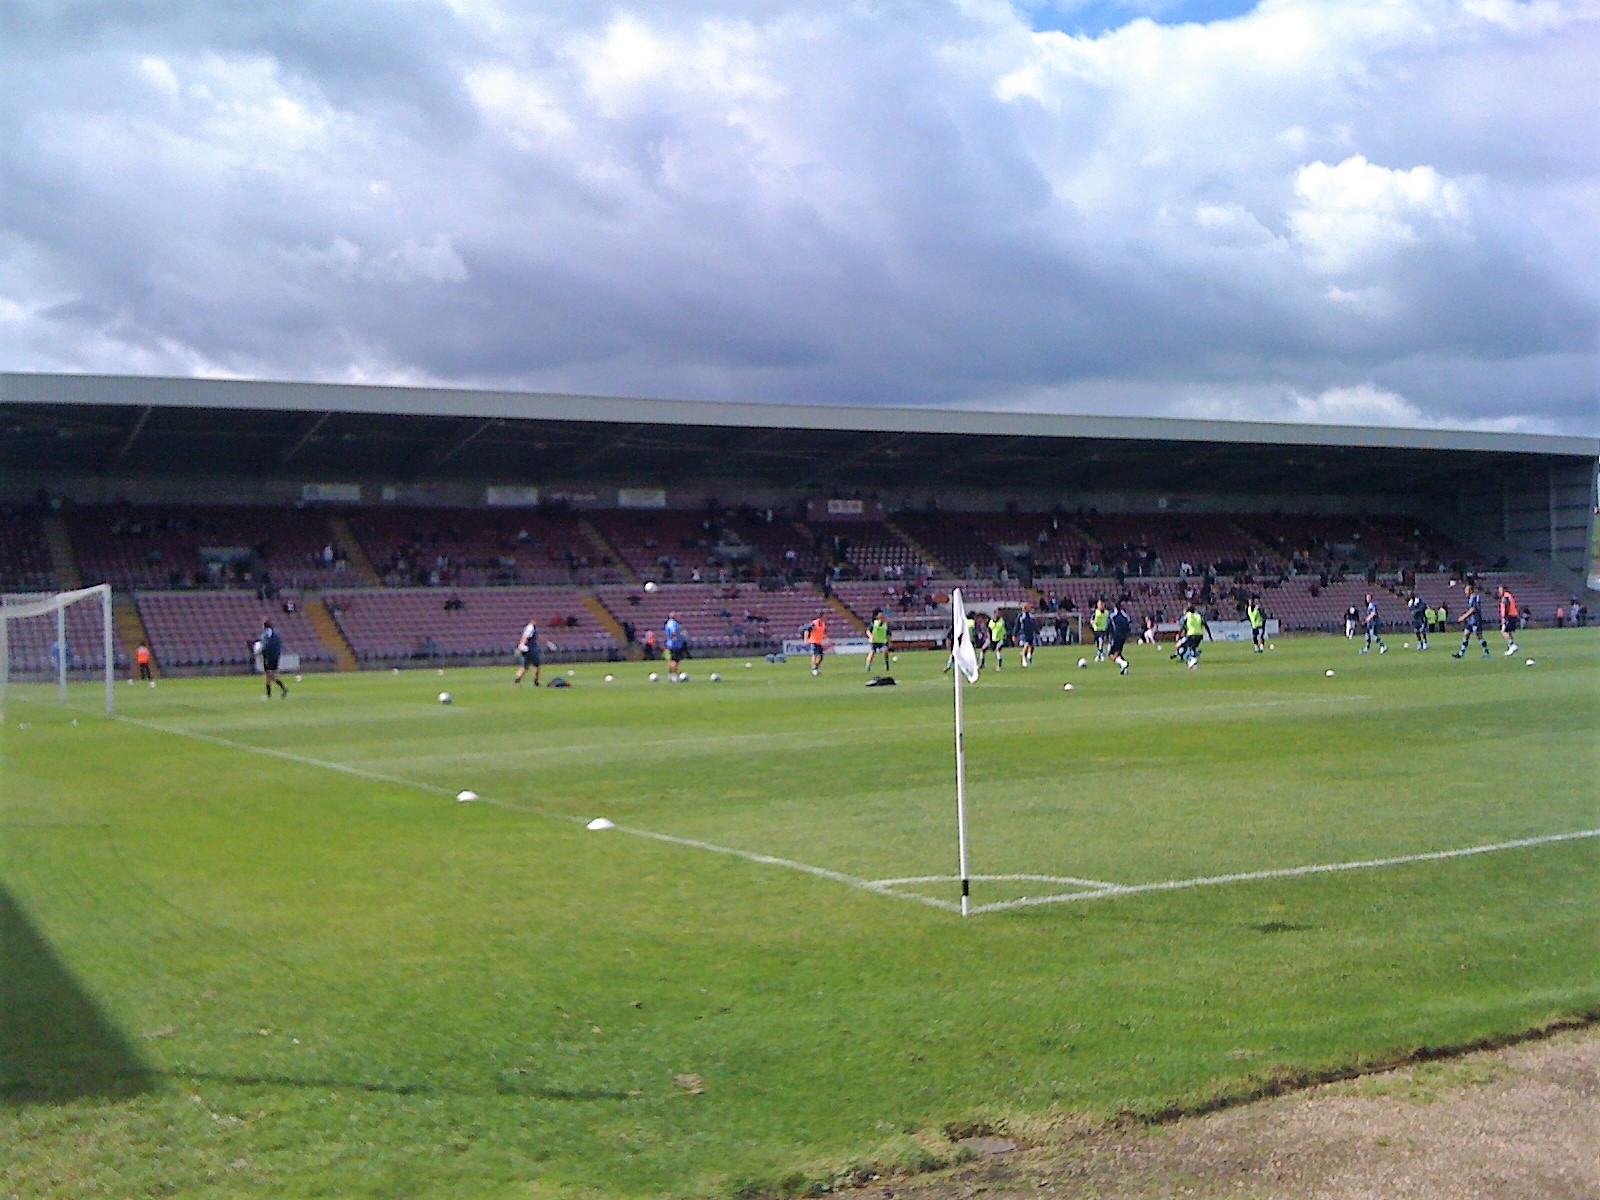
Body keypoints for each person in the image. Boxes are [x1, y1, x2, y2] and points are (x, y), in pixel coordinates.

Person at [1453, 583, 1493, 660]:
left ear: (1470, 590)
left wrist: (1463, 617)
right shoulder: (1472, 598)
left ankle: (1487, 653)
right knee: (1466, 634)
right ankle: (1461, 653)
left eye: (1466, 590)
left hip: (1476, 620)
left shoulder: (1474, 597)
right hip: (1471, 620)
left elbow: (1473, 609)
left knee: (1479, 636)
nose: (1465, 592)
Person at [256, 618, 287, 699]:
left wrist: (260, 650)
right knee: (268, 675)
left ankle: (282, 689)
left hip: (269, 656)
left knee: (269, 675)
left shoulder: (267, 633)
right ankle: (269, 694)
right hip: (275, 656)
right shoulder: (276, 632)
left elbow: (266, 644)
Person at [1172, 604, 1210, 669]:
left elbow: (1183, 626)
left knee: (1185, 647)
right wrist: (1210, 635)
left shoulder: (1187, 616)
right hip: (1199, 635)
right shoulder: (1199, 615)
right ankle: (1193, 661)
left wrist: (1179, 634)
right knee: (1192, 648)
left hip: (1191, 634)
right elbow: (1205, 624)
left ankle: (1192, 659)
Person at [513, 619, 545, 686]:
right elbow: (525, 637)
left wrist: (547, 643)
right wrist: (521, 645)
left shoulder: (531, 628)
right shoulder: (530, 628)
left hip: (527, 649)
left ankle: (517, 681)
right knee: (537, 665)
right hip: (530, 650)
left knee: (525, 667)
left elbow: (537, 637)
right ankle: (536, 681)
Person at [1107, 601, 1133, 675]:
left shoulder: (1112, 615)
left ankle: (1123, 663)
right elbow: (1128, 625)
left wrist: (1109, 637)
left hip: (1116, 636)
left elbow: (1109, 627)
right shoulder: (1125, 615)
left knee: (1111, 654)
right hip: (1123, 637)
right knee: (1118, 653)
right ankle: (1124, 669)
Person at [1496, 584, 1521, 656]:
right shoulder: (1509, 596)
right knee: (1508, 632)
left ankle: (1513, 645)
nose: (1499, 591)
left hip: (1509, 616)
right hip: (1512, 615)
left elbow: (1506, 607)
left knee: (1504, 631)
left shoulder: (1505, 597)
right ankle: (1512, 648)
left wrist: (1504, 618)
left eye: (1500, 589)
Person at [664, 612, 690, 681]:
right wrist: (675, 637)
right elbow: (673, 631)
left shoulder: (671, 623)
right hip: (675, 645)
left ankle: (670, 675)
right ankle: (674, 675)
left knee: (673, 659)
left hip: (673, 644)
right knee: (675, 660)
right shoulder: (672, 623)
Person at [864, 609, 892, 673]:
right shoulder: (874, 623)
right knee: (872, 652)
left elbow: (888, 634)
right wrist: (871, 636)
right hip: (874, 641)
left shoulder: (886, 625)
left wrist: (889, 641)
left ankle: (886, 664)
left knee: (885, 651)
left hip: (882, 641)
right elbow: (868, 631)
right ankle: (868, 665)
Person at [1014, 603, 1040, 668]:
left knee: (1032, 647)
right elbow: (1017, 626)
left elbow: (1034, 624)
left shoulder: (1031, 616)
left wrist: (1037, 631)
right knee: (1026, 645)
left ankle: (1028, 656)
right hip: (1023, 634)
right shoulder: (1021, 616)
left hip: (1030, 633)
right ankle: (1024, 660)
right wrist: (1014, 634)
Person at [803, 612, 828, 676]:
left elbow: (823, 634)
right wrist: (806, 640)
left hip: (819, 642)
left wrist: (826, 641)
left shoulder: (823, 624)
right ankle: (813, 669)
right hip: (813, 642)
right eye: (824, 616)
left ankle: (815, 668)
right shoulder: (814, 623)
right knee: (815, 655)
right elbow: (806, 630)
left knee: (821, 657)